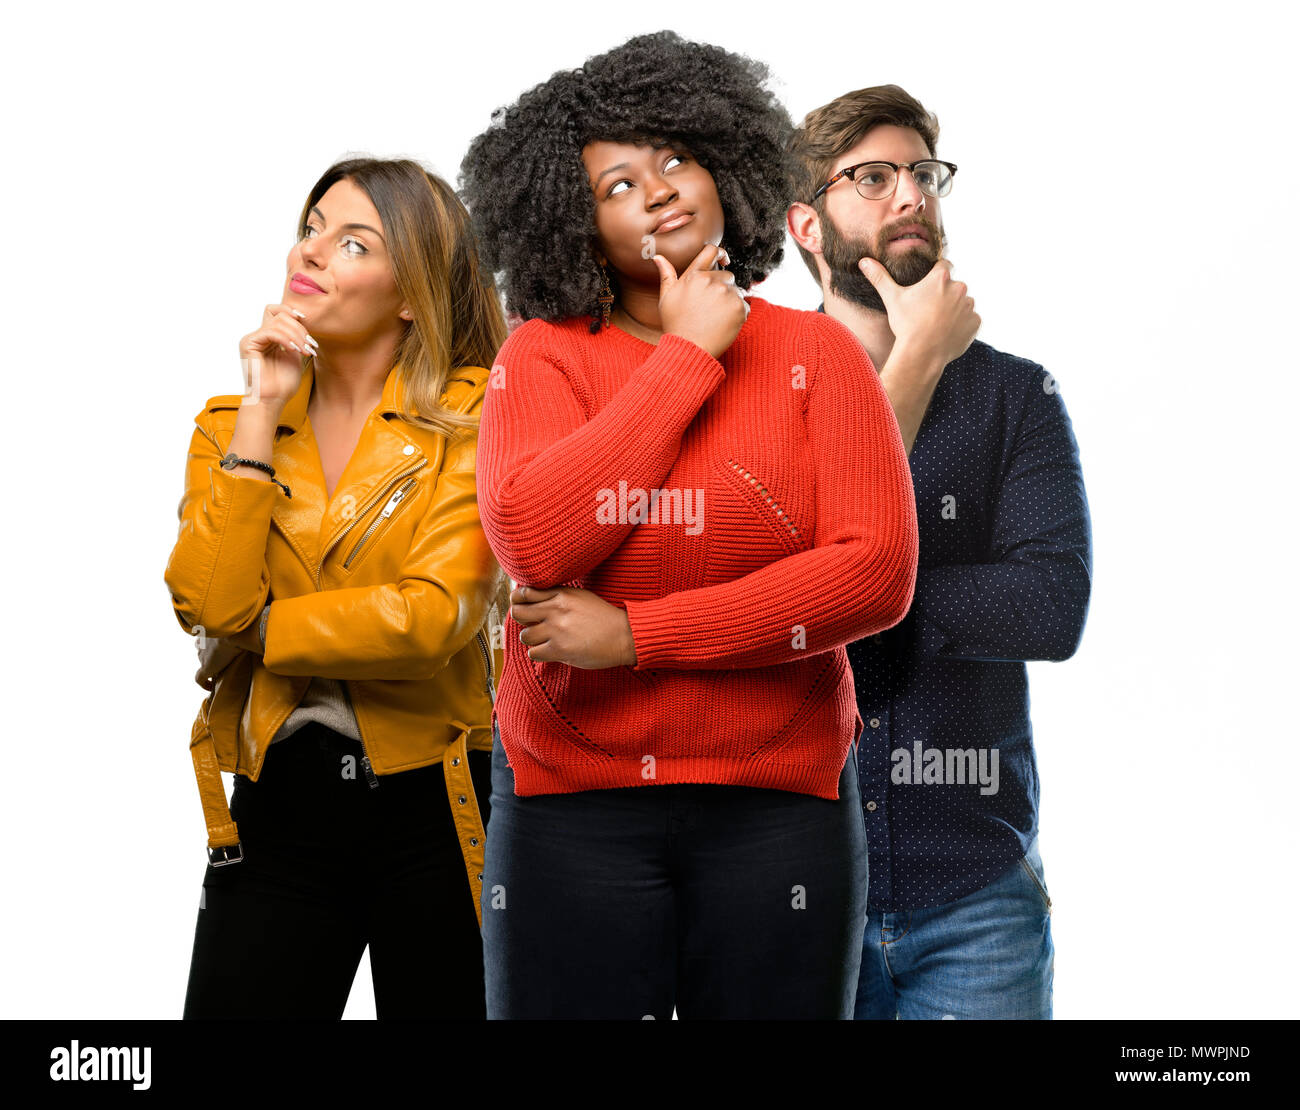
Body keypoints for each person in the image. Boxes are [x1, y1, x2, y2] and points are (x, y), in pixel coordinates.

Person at [458, 31, 921, 1020]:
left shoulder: (818, 356)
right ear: (571, 225)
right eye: (617, 184)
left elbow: (871, 575)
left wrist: (635, 637)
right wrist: (689, 356)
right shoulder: (541, 358)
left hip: (777, 812)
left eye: (673, 159)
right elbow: (539, 541)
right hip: (570, 811)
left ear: (723, 165)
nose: (659, 190)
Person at [163, 157, 509, 1019]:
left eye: (353, 241)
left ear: (409, 292)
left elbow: (432, 617)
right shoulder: (229, 422)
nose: (310, 252)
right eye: (313, 226)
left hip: (443, 803)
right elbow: (207, 602)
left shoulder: (480, 417)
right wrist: (260, 407)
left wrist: (265, 631)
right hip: (276, 802)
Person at [787, 85, 1093, 1019]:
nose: (910, 194)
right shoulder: (758, 386)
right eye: (872, 178)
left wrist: (854, 581)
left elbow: (1049, 605)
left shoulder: (1015, 395)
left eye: (922, 173)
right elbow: (749, 584)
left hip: (976, 897)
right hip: (787, 896)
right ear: (806, 225)